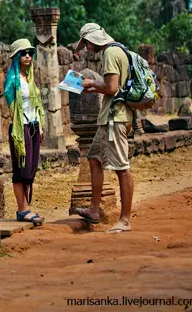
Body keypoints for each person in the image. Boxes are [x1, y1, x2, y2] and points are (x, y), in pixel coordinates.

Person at [74, 23, 134, 234]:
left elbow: (112, 87)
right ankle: (94, 210)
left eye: (87, 44)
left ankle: (125, 219)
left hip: (114, 119)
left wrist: (91, 82)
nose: (87, 48)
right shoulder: (120, 49)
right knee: (94, 158)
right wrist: (93, 87)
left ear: (93, 39)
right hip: (110, 116)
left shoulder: (109, 53)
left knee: (122, 168)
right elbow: (112, 88)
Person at [4, 39, 45, 225]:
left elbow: (35, 105)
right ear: (16, 57)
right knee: (21, 169)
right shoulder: (12, 80)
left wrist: (41, 126)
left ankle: (26, 208)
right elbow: (12, 107)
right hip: (21, 130)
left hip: (34, 126)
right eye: (24, 53)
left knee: (31, 168)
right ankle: (22, 210)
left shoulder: (30, 78)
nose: (28, 56)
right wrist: (21, 129)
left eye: (30, 52)